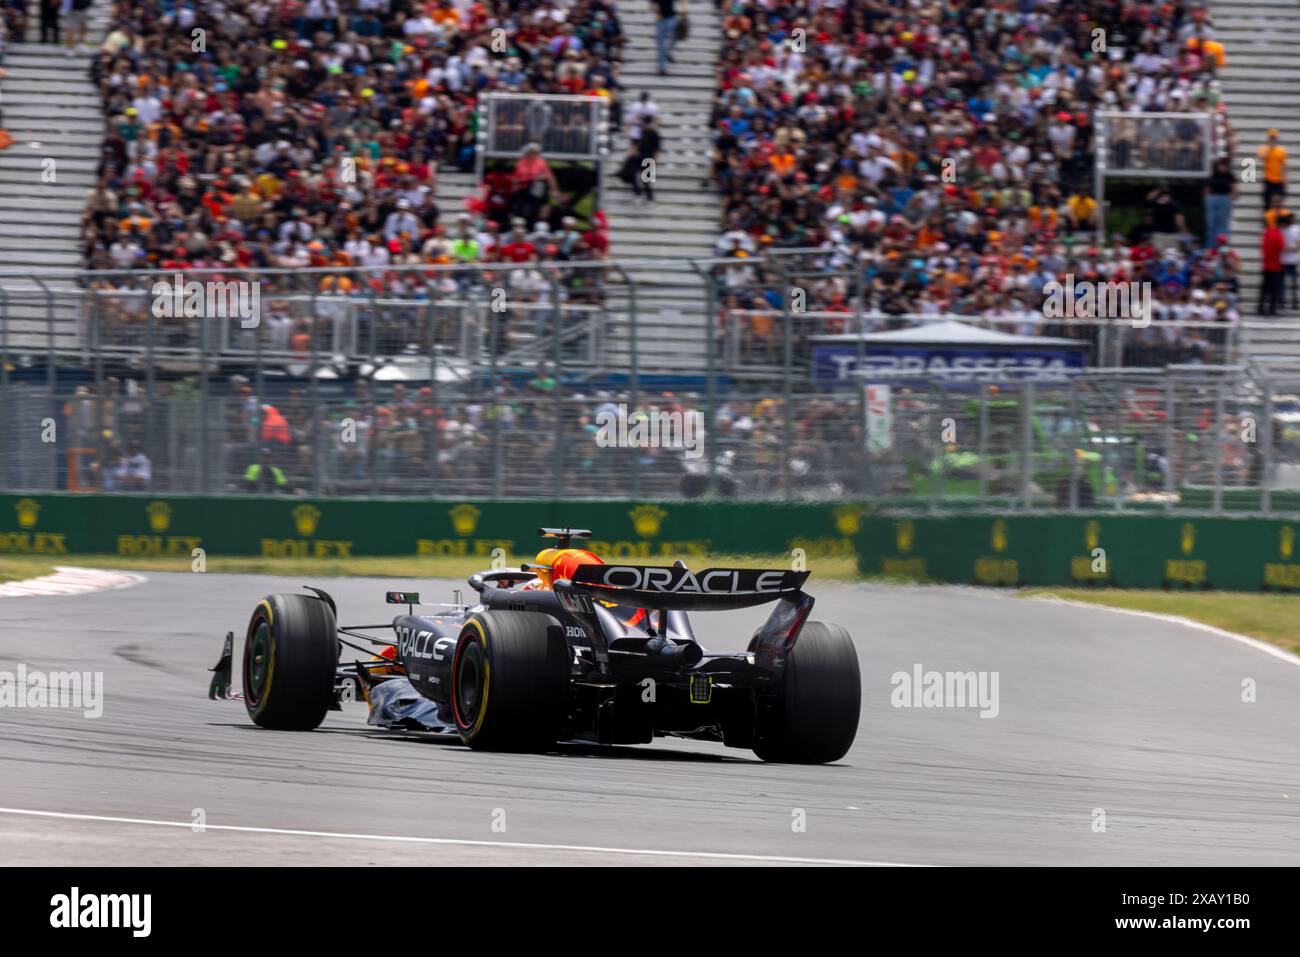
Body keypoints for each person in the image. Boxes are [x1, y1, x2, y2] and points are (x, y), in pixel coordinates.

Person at [1203, 157, 1235, 249]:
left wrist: (1230, 198)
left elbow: (1233, 188)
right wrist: (1207, 199)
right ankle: (1210, 247)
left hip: (1224, 199)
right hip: (1213, 199)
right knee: (1211, 225)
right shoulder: (1213, 176)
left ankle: (1223, 247)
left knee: (1223, 226)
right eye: (1221, 165)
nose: (1222, 167)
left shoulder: (1229, 176)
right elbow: (1207, 189)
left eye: (1224, 165)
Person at [1259, 216, 1286, 316]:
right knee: (1274, 289)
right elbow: (1281, 247)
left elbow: (1263, 245)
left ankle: (1261, 308)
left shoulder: (1268, 231)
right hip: (1275, 265)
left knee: (1264, 288)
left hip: (1266, 264)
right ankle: (1272, 309)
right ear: (1282, 224)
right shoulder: (1278, 235)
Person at [632, 114, 661, 204]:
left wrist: (655, 162)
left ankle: (650, 198)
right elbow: (639, 144)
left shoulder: (655, 133)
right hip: (641, 157)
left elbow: (657, 150)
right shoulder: (643, 132)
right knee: (632, 174)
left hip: (649, 159)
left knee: (646, 180)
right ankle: (638, 194)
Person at [1259, 129, 1288, 210]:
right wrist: (1269, 148)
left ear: (1277, 138)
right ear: (1268, 138)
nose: (1273, 139)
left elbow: (1284, 166)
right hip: (1268, 180)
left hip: (1279, 181)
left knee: (1279, 204)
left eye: (1274, 137)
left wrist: (1286, 180)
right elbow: (1262, 157)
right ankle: (1267, 221)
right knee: (1267, 204)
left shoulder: (1281, 151)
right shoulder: (1264, 149)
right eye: (1271, 137)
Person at [651, 0, 676, 76]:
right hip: (660, 20)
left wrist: (685, 10)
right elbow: (651, 3)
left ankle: (667, 53)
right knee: (662, 45)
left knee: (670, 41)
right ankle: (662, 68)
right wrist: (656, 13)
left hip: (671, 18)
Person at [1282, 212, 1300, 311]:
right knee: (1283, 284)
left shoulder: (1296, 230)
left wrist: (1288, 248)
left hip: (1293, 261)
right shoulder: (1282, 229)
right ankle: (1283, 302)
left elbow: (1298, 246)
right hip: (1284, 260)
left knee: (1293, 283)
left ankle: (1294, 302)